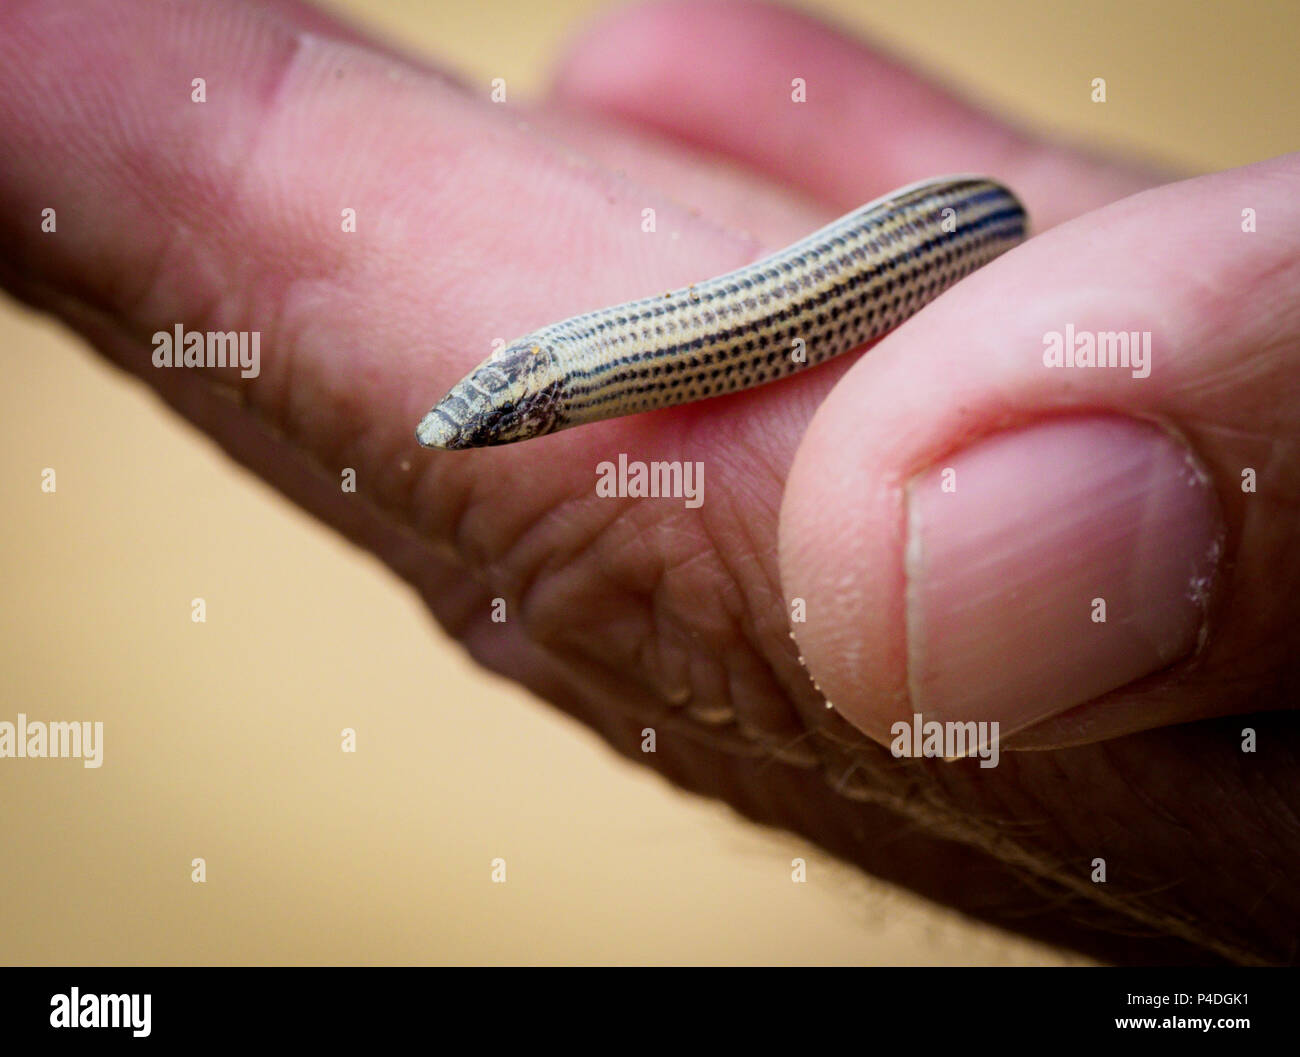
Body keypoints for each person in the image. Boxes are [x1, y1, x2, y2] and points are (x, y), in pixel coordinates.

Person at [2, 0, 1294, 964]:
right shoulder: (567, 384)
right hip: (944, 231)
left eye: (507, 407)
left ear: (538, 395)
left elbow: (944, 239)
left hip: (960, 227)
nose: (496, 418)